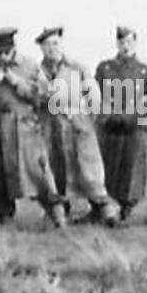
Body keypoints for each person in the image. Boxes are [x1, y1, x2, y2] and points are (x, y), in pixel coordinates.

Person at [0, 27, 62, 226]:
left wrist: (18, 83)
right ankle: (4, 218)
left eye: (6, 51)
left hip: (25, 128)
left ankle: (56, 214)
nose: (3, 56)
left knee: (37, 175)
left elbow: (45, 96)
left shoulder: (30, 65)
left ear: (13, 47)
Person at [34, 27, 119, 225]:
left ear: (61, 44)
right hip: (51, 128)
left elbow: (94, 96)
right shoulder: (38, 72)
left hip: (78, 127)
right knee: (55, 170)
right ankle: (58, 211)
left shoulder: (76, 68)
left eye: (55, 43)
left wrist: (89, 119)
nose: (51, 49)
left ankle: (104, 209)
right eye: (47, 45)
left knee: (89, 171)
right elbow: (35, 97)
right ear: (41, 49)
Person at [94, 26, 147, 222]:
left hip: (134, 128)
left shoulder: (146, 72)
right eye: (122, 42)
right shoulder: (105, 69)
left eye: (129, 42)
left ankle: (126, 210)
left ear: (136, 43)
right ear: (116, 43)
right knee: (107, 169)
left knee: (131, 171)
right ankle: (104, 209)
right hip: (110, 128)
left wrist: (142, 124)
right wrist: (105, 118)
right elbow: (96, 98)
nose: (125, 46)